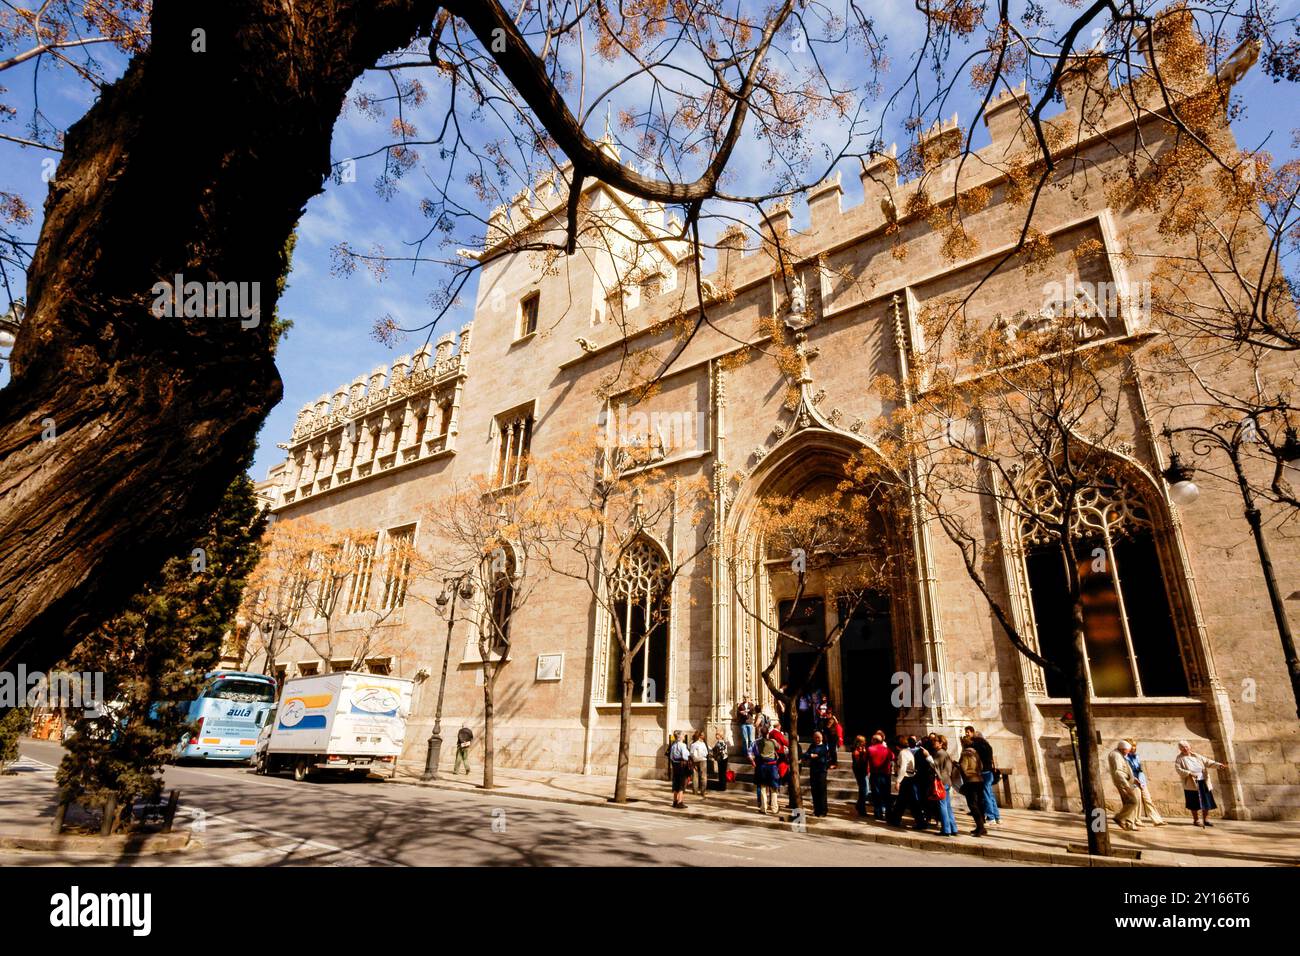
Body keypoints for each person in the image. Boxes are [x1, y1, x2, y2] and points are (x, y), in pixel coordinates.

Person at [1174, 740, 1226, 828]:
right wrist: (1189, 773)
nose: (1185, 749)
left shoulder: (1197, 756)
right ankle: (1196, 820)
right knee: (1194, 803)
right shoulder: (1179, 758)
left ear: (1190, 747)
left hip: (1203, 781)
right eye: (1182, 747)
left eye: (1186, 746)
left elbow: (1208, 762)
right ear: (1180, 749)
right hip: (1191, 784)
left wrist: (1219, 765)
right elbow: (1178, 769)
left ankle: (1206, 820)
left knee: (1206, 801)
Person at [1125, 738, 1165, 826]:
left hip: (1141, 780)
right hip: (1133, 782)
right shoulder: (1125, 758)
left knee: (1148, 799)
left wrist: (1142, 780)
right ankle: (1137, 820)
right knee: (1137, 800)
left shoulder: (1136, 756)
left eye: (1134, 746)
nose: (1134, 748)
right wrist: (1134, 779)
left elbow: (1139, 769)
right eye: (1132, 746)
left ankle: (1157, 820)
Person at [1107, 739, 1142, 831]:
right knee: (1133, 801)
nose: (1128, 752)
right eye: (1128, 750)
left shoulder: (1119, 754)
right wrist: (1126, 786)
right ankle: (1120, 818)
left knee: (1129, 802)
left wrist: (1133, 779)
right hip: (1123, 784)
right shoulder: (1117, 756)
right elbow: (1119, 772)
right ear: (1123, 749)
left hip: (1125, 782)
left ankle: (1127, 823)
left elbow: (1125, 770)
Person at [958, 732, 988, 836]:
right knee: (978, 803)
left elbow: (963, 767)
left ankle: (980, 827)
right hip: (979, 779)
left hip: (971, 781)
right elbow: (981, 766)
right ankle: (980, 826)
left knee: (972, 805)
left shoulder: (965, 754)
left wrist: (959, 767)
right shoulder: (975, 752)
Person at [930, 734, 959, 836]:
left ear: (941, 743)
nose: (933, 743)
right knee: (947, 806)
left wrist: (927, 756)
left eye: (935, 741)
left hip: (942, 781)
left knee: (942, 806)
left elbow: (934, 766)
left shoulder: (940, 753)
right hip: (947, 781)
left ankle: (946, 830)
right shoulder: (945, 753)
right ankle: (953, 828)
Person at [886, 735, 917, 827]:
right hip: (910, 778)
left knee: (902, 802)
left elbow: (903, 768)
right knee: (908, 802)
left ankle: (895, 820)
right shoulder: (908, 752)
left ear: (897, 746)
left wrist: (898, 781)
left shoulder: (903, 753)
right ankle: (919, 821)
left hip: (906, 778)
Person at [753, 730, 782, 815]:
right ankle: (774, 808)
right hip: (772, 767)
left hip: (762, 766)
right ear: (768, 733)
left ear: (761, 733)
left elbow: (756, 752)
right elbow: (779, 748)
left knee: (763, 787)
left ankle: (763, 808)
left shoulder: (758, 742)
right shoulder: (773, 741)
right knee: (773, 788)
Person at [806, 730, 834, 817]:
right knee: (814, 791)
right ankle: (816, 810)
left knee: (821, 791)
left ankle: (823, 811)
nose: (816, 739)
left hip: (821, 771)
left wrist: (813, 755)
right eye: (815, 737)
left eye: (818, 737)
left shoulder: (824, 747)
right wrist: (811, 755)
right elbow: (806, 755)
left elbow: (820, 755)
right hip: (813, 770)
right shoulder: (812, 746)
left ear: (821, 738)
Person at [867, 732, 892, 820]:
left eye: (872, 739)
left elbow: (866, 760)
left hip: (875, 775)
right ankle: (888, 814)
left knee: (876, 794)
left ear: (874, 740)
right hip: (886, 775)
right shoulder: (887, 750)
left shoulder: (870, 749)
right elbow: (893, 757)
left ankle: (878, 813)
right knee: (886, 795)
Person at [669, 731, 692, 808]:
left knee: (676, 782)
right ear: (680, 737)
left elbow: (671, 757)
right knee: (681, 784)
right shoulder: (683, 745)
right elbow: (685, 756)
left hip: (675, 765)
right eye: (683, 735)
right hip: (681, 765)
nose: (684, 736)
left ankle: (675, 801)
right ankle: (680, 802)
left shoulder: (673, 745)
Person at [851, 735, 871, 816]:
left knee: (864, 790)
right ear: (859, 742)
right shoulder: (856, 751)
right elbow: (858, 762)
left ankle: (859, 806)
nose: (865, 742)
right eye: (863, 741)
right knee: (864, 791)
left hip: (864, 771)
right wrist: (863, 754)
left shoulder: (863, 749)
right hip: (860, 772)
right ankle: (861, 809)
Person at [690, 730, 710, 797]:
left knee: (695, 776)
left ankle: (695, 791)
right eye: (702, 735)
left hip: (695, 761)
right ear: (699, 736)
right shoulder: (702, 744)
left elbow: (691, 753)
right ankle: (703, 791)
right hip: (703, 760)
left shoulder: (693, 744)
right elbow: (706, 753)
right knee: (703, 776)